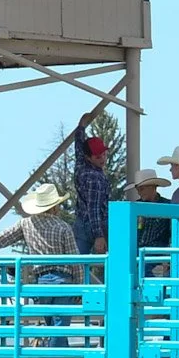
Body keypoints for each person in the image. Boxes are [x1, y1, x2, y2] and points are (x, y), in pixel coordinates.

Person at [0, 184, 79, 349]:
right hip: (63, 280)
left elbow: (3, 238)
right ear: (54, 207)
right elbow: (75, 260)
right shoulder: (64, 227)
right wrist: (80, 287)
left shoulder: (26, 224)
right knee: (60, 327)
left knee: (52, 326)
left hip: (42, 282)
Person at [70, 113, 110, 264]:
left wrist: (81, 127)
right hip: (98, 224)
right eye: (98, 157)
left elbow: (79, 146)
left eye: (104, 154)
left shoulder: (81, 164)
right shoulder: (95, 178)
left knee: (79, 264)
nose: (103, 159)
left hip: (80, 222)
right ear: (89, 157)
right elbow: (94, 209)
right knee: (118, 257)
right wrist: (99, 235)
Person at [128, 168, 172, 274]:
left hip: (157, 253)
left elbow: (172, 235)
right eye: (138, 189)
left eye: (142, 189)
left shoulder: (168, 206)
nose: (139, 192)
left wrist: (168, 259)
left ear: (153, 187)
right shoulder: (135, 207)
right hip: (136, 253)